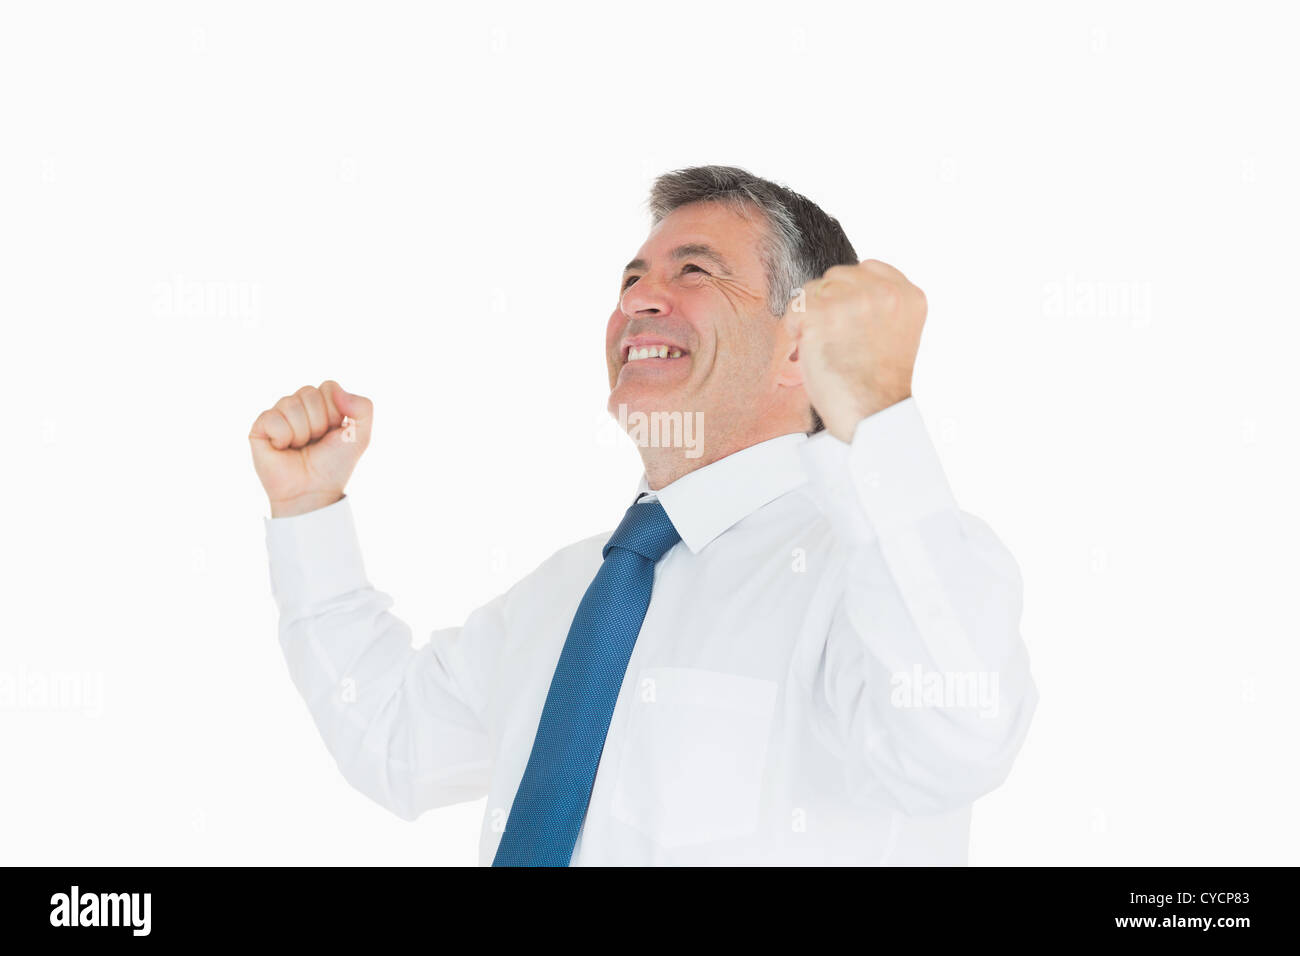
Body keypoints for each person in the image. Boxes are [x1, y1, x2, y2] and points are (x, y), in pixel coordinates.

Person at [248, 165, 1038, 866]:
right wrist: (308, 507)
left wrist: (876, 417)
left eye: (694, 271)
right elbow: (392, 737)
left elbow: (957, 739)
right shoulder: (568, 595)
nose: (636, 300)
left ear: (802, 347)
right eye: (630, 278)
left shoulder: (877, 570)